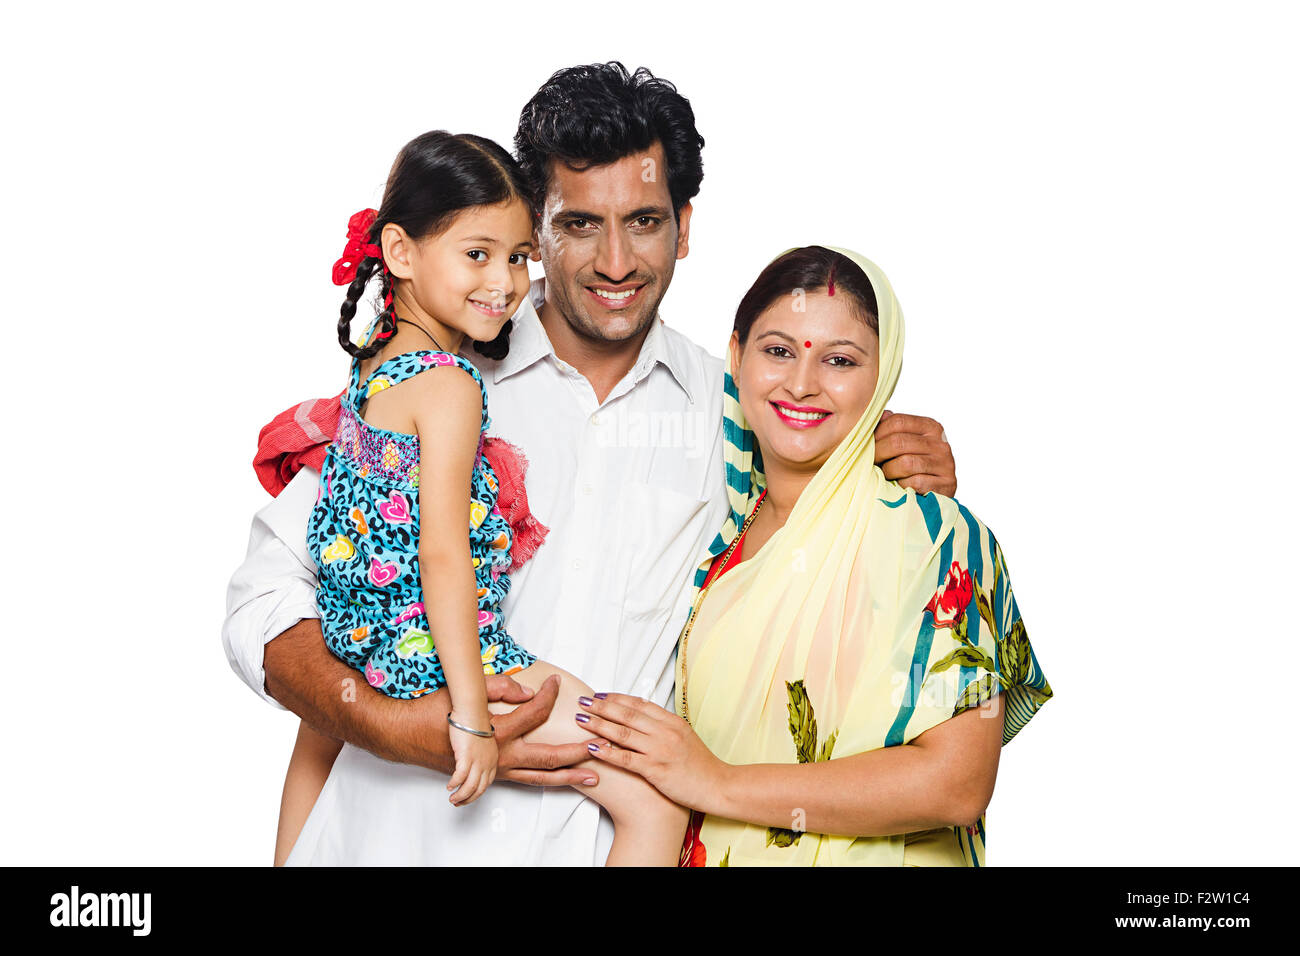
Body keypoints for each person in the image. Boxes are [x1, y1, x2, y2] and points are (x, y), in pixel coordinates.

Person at [223, 63, 957, 866]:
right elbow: (266, 604)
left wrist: (884, 451)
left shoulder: (741, 415)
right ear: (532, 231)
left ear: (684, 225)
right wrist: (393, 725)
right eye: (578, 225)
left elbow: (837, 536)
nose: (615, 261)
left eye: (643, 221)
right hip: (390, 841)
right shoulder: (437, 381)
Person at [274, 130, 689, 867]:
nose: (504, 282)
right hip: (435, 657)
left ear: (684, 228)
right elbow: (441, 553)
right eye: (478, 254)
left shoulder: (375, 369)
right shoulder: (455, 385)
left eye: (516, 257)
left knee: (322, 730)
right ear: (401, 253)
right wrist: (468, 715)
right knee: (654, 798)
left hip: (362, 641)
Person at [578, 246, 1052, 865]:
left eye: (839, 361)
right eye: (778, 350)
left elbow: (956, 783)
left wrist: (715, 781)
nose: (801, 383)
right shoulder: (716, 544)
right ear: (736, 356)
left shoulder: (936, 535)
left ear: (882, 379)